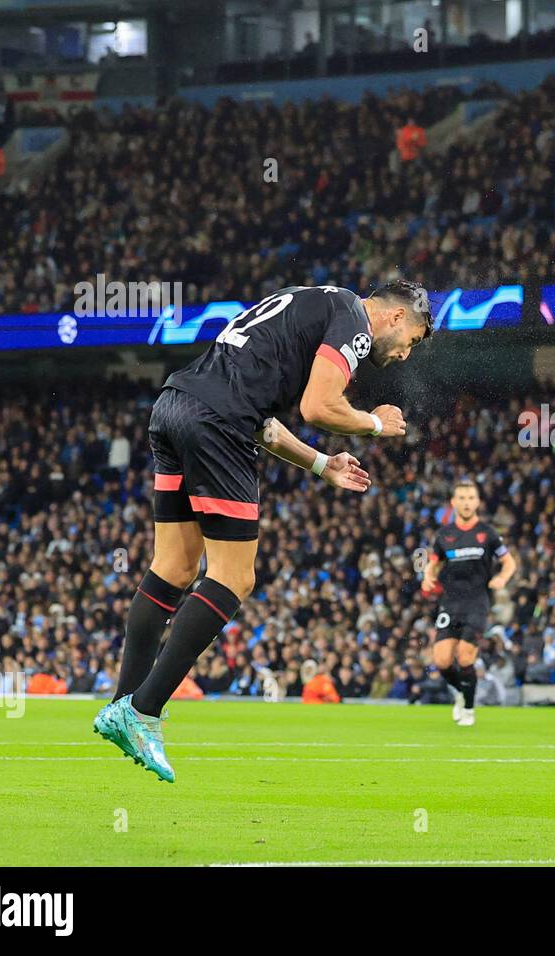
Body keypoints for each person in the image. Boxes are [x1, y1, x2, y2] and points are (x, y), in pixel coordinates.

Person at [93, 281, 433, 781]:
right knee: (234, 578)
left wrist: (321, 464)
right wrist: (374, 425)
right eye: (413, 340)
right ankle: (141, 712)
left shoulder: (310, 302)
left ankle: (122, 705)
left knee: (174, 567)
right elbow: (319, 407)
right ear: (396, 316)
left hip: (175, 405)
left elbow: (263, 422)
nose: (405, 355)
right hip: (216, 425)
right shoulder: (355, 323)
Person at [420, 481, 517, 727]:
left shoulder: (488, 533)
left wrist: (501, 578)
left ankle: (470, 709)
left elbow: (509, 562)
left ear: (477, 502)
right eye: (461, 497)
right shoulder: (444, 535)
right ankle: (463, 693)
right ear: (453, 502)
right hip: (450, 603)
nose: (466, 502)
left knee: (465, 657)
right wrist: (428, 576)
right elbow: (434, 563)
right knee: (441, 662)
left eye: (470, 497)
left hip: (477, 602)